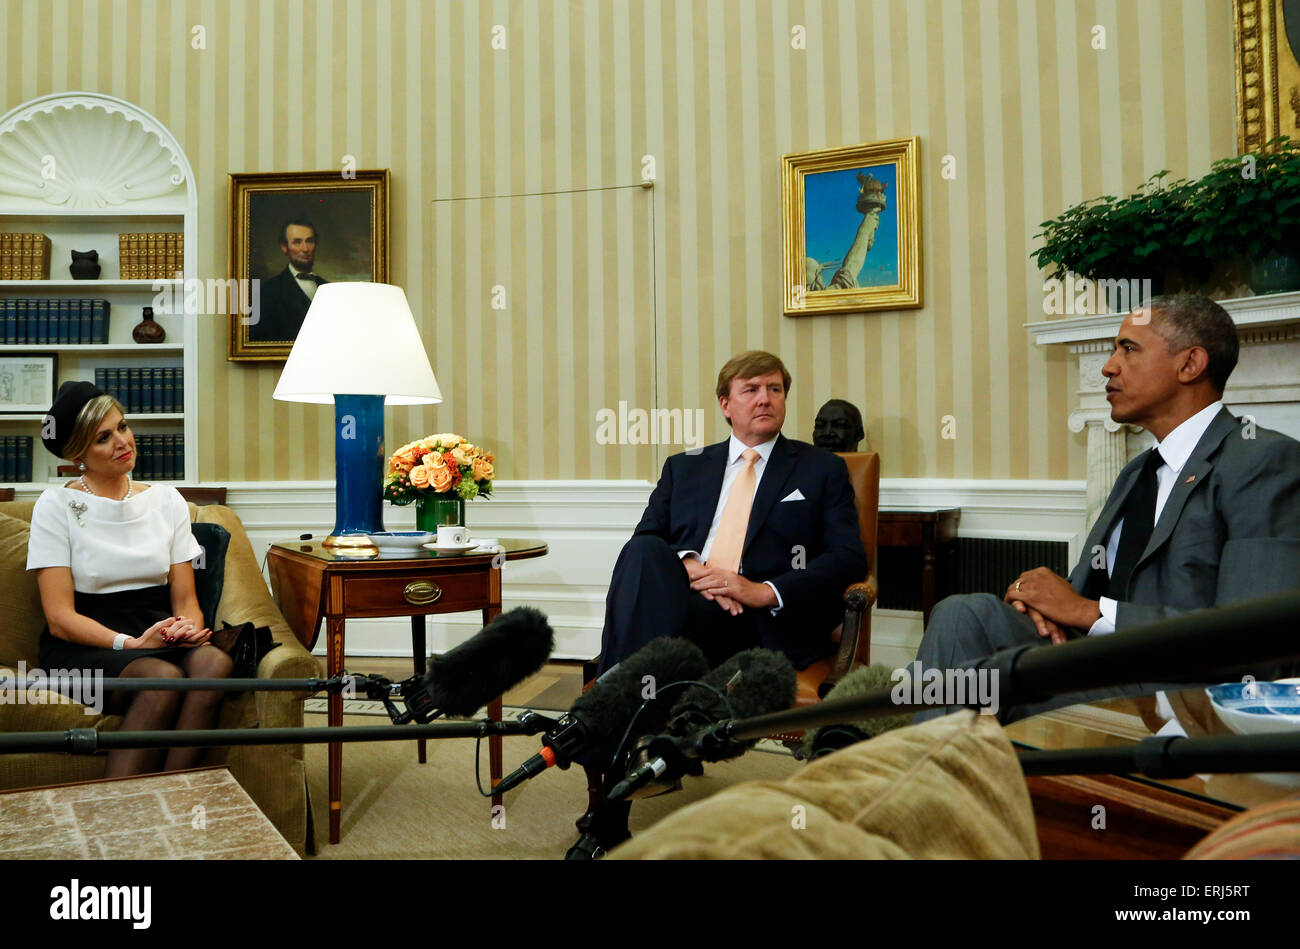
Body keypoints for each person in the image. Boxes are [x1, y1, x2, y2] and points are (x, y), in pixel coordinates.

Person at [914, 294, 1300, 723]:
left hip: (1176, 686)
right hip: (1094, 658)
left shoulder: (1263, 460)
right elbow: (1098, 590)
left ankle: (908, 770)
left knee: (976, 681)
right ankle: (921, 770)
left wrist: (1087, 612)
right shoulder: (1138, 472)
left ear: (1190, 365)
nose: (1108, 366)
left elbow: (1255, 642)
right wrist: (1043, 601)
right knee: (961, 614)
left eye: (1128, 349)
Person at [598, 350, 868, 675]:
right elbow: (647, 537)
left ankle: (616, 693)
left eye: (775, 389)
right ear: (726, 405)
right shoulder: (684, 467)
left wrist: (761, 591)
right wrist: (691, 568)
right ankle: (636, 696)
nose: (765, 399)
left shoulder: (822, 469)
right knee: (642, 550)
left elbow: (848, 557)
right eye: (751, 390)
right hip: (685, 595)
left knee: (651, 624)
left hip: (756, 619)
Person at [26, 381, 234, 777]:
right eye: (104, 437)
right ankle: (121, 811)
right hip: (87, 643)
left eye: (122, 427)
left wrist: (188, 629)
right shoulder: (55, 505)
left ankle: (171, 799)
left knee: (213, 663)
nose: (123, 441)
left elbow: (185, 598)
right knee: (162, 676)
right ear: (78, 454)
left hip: (156, 630)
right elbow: (59, 617)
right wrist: (131, 644)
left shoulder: (167, 499)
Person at [249, 215, 328, 342]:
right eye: (297, 242)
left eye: (309, 241)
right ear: (284, 247)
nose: (305, 249)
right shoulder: (267, 291)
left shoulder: (327, 287)